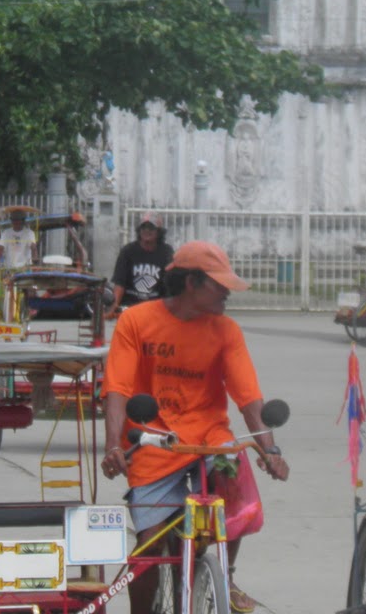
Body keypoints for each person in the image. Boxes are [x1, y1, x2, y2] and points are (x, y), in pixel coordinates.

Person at [101, 241, 287, 614]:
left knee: (233, 471)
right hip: (153, 441)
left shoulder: (225, 331)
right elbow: (117, 389)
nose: (227, 294)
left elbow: (248, 397)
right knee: (149, 548)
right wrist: (112, 445)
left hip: (208, 437)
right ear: (192, 284)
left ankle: (226, 575)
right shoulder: (135, 321)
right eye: (219, 286)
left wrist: (270, 449)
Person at [105, 215, 174, 317]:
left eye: (151, 228)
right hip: (129, 307)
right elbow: (120, 283)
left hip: (156, 308)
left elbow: (171, 284)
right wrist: (113, 307)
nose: (146, 230)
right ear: (139, 230)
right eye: (143, 227)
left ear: (159, 232)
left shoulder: (166, 252)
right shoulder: (127, 251)